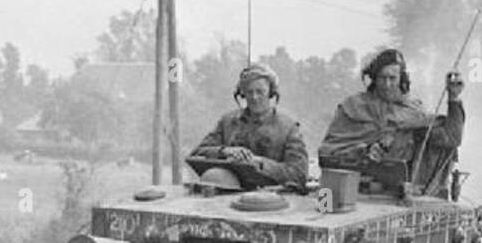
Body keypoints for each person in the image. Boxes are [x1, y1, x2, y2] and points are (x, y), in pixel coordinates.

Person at [318, 47, 464, 195]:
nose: (387, 84)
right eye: (382, 77)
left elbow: (451, 138)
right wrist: (362, 151)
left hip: (398, 196)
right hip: (352, 190)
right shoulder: (354, 107)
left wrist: (453, 98)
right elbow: (327, 152)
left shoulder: (412, 112)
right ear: (375, 78)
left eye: (392, 78)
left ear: (401, 78)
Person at [186, 63, 309, 191]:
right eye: (249, 92)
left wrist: (259, 163)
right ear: (243, 94)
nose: (254, 97)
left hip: (271, 201)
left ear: (271, 93)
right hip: (226, 196)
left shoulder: (288, 128)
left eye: (260, 92)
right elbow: (197, 153)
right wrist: (225, 151)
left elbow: (299, 174)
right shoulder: (228, 122)